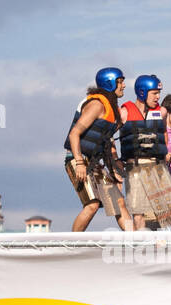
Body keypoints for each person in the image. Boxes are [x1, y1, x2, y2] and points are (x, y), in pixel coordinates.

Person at [64, 67, 131, 232]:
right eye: (120, 82)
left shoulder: (111, 108)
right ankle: (71, 245)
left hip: (93, 162)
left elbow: (106, 143)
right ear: (110, 83)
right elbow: (74, 134)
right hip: (78, 159)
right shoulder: (96, 105)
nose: (123, 86)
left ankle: (134, 240)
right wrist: (79, 163)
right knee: (92, 204)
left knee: (118, 202)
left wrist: (114, 170)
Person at [119, 75, 171, 230]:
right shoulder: (124, 112)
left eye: (159, 92)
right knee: (138, 214)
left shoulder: (162, 112)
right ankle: (141, 248)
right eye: (154, 93)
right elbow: (107, 135)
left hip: (158, 167)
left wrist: (164, 151)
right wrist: (114, 160)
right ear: (142, 92)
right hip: (135, 167)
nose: (158, 97)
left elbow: (163, 132)